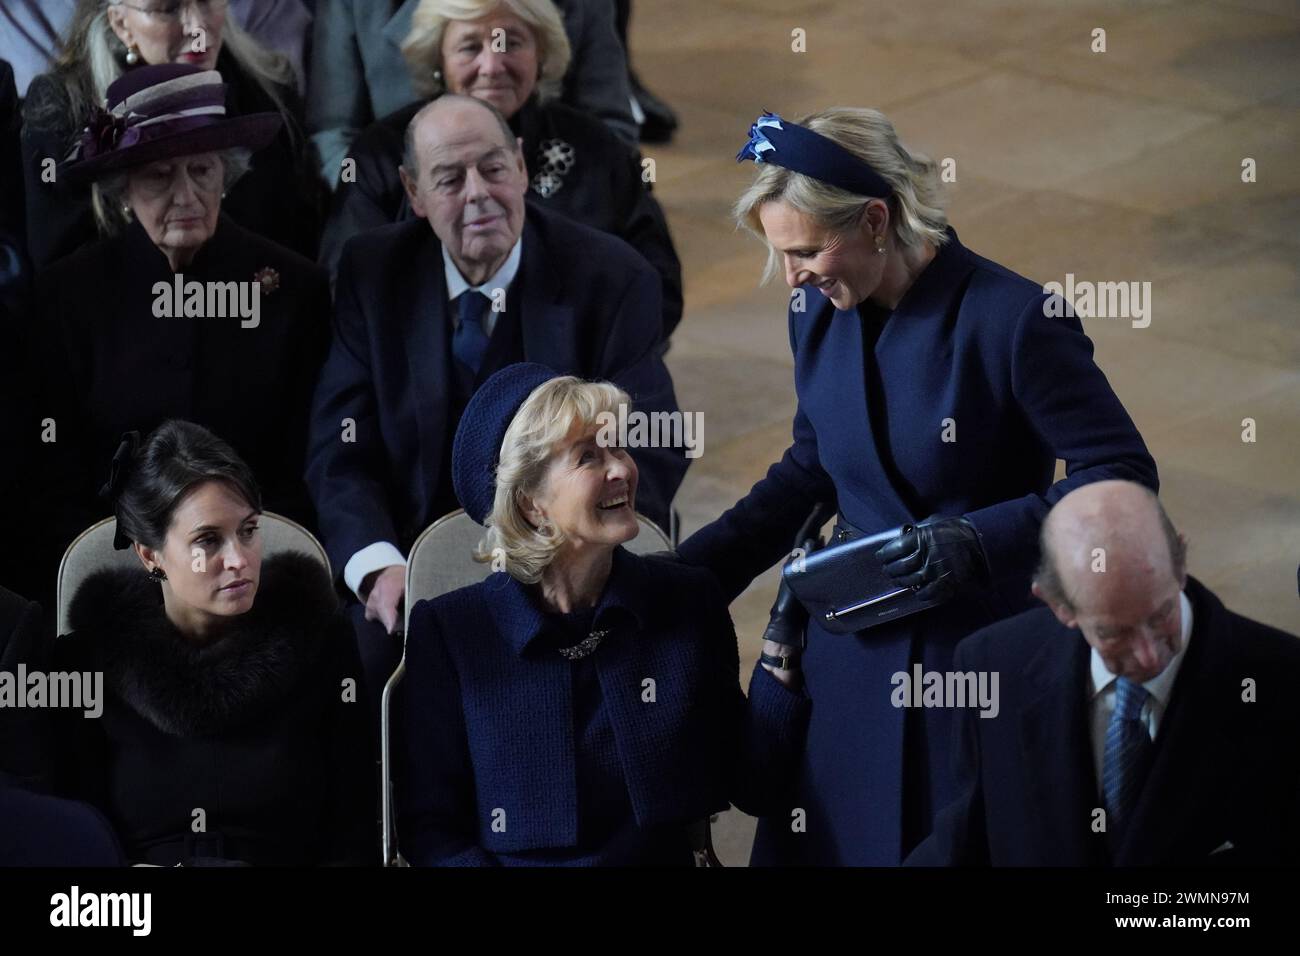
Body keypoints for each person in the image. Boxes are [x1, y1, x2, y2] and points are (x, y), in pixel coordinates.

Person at [676, 108, 1159, 866]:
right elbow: (812, 471)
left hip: (973, 666)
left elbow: (1122, 474)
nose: (794, 275)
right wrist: (688, 576)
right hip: (846, 673)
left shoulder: (1016, 319)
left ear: (875, 220)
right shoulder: (815, 310)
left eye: (806, 251)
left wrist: (980, 541)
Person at [306, 94, 686, 705]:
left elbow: (651, 440)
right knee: (359, 669)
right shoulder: (373, 273)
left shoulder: (611, 277)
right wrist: (378, 566)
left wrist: (573, 559)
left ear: (522, 167)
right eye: (450, 179)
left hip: (567, 561)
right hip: (412, 562)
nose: (478, 193)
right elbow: (340, 447)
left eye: (494, 168)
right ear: (413, 192)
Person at [397, 364, 809, 865]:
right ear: (531, 504)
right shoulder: (452, 635)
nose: (621, 469)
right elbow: (431, 832)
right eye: (588, 457)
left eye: (618, 447)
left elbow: (754, 787)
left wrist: (778, 665)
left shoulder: (685, 601)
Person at [29, 63, 330, 607]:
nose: (186, 194)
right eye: (160, 176)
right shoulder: (68, 296)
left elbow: (305, 464)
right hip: (117, 572)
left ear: (227, 174)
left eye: (201, 170)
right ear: (124, 191)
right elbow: (56, 475)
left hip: (258, 572)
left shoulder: (292, 288)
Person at [907, 481, 1300, 866]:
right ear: (1058, 606)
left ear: (1180, 561)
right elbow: (966, 840)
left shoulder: (1283, 680)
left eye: (1161, 615)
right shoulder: (995, 664)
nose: (1148, 656)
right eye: (1114, 633)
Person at [51, 421, 374, 867]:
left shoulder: (321, 640)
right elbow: (67, 839)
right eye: (208, 540)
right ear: (151, 556)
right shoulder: (86, 663)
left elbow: (354, 832)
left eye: (248, 530)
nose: (239, 560)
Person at [319, 0, 682, 338]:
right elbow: (347, 290)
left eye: (512, 43)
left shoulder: (596, 148)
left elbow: (657, 286)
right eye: (469, 47)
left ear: (541, 55)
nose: (492, 67)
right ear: (437, 60)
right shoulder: (381, 155)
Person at [20, 0, 322, 267]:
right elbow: (63, 281)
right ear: (121, 23)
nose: (198, 27)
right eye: (168, 8)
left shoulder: (265, 92)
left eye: (206, 1)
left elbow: (297, 246)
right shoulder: (62, 110)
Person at [306, 0, 635, 189]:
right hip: (401, 200)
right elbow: (333, 134)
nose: (491, 67)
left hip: (553, 200)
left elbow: (612, 134)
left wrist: (536, 207)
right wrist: (402, 201)